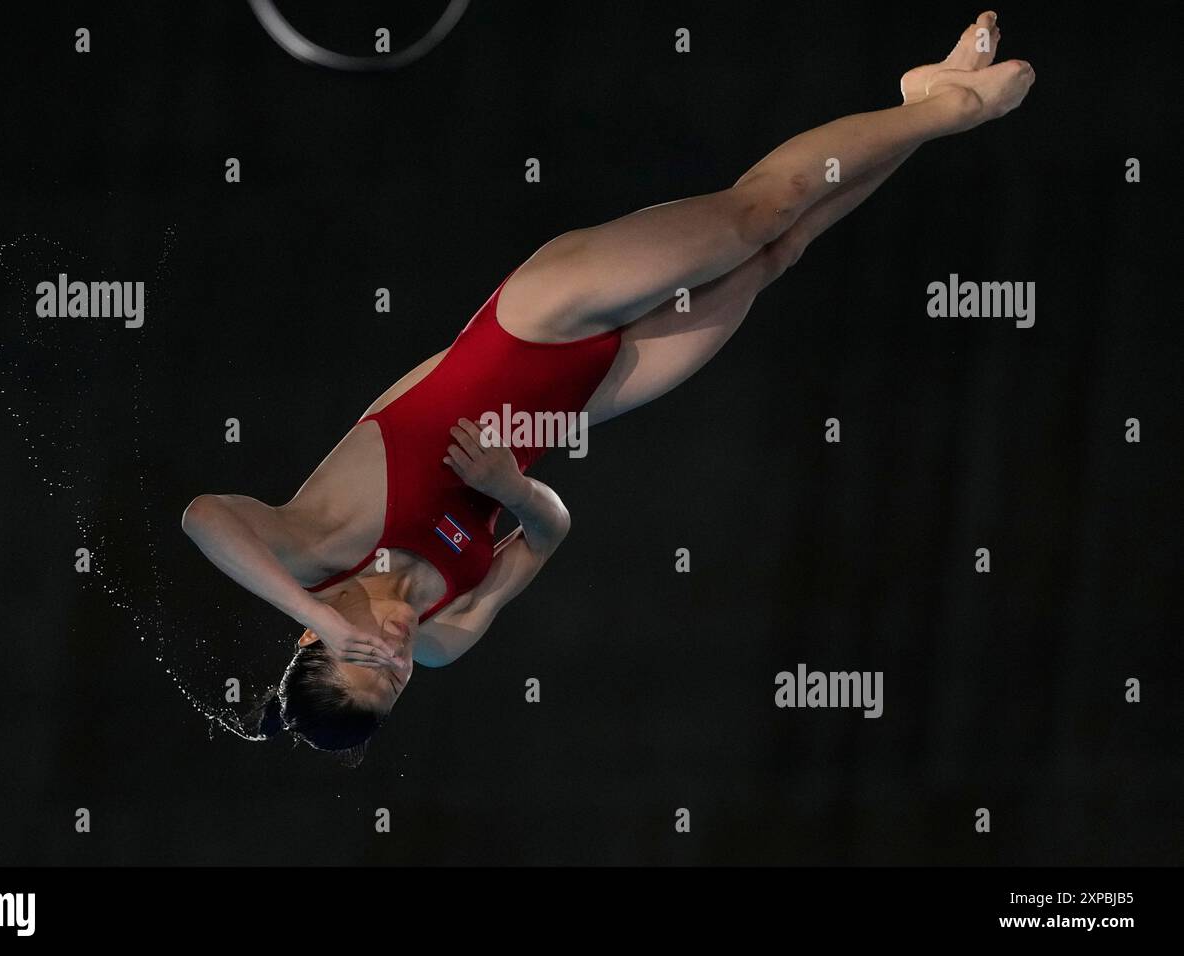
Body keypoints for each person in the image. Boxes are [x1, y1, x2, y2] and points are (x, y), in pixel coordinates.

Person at [182, 12, 1032, 762]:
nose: (396, 655)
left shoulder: (313, 548)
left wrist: (329, 615)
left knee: (756, 214)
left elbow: (202, 518)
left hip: (534, 322)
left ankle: (949, 107)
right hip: (589, 397)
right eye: (394, 682)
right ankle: (926, 106)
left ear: (318, 636)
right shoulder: (440, 640)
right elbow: (549, 532)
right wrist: (511, 490)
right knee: (778, 257)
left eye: (364, 656)